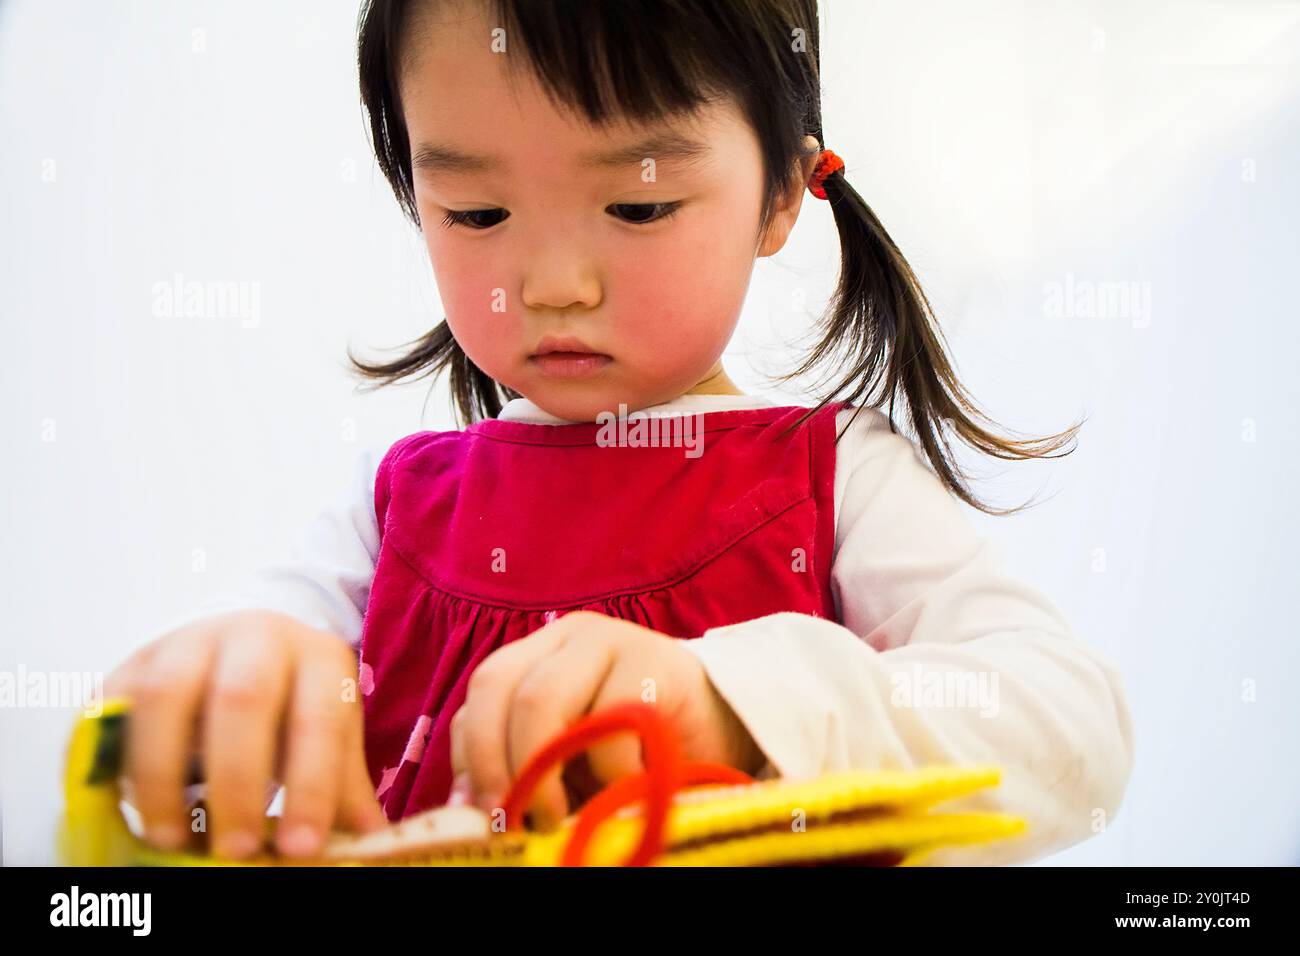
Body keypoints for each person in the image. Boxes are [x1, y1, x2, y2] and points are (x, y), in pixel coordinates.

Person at [105, 0, 1133, 866]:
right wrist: (224, 680)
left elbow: (1072, 728)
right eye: (475, 212)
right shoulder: (397, 513)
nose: (553, 284)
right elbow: (177, 714)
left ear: (781, 193)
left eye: (638, 206)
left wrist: (732, 698)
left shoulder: (829, 476)